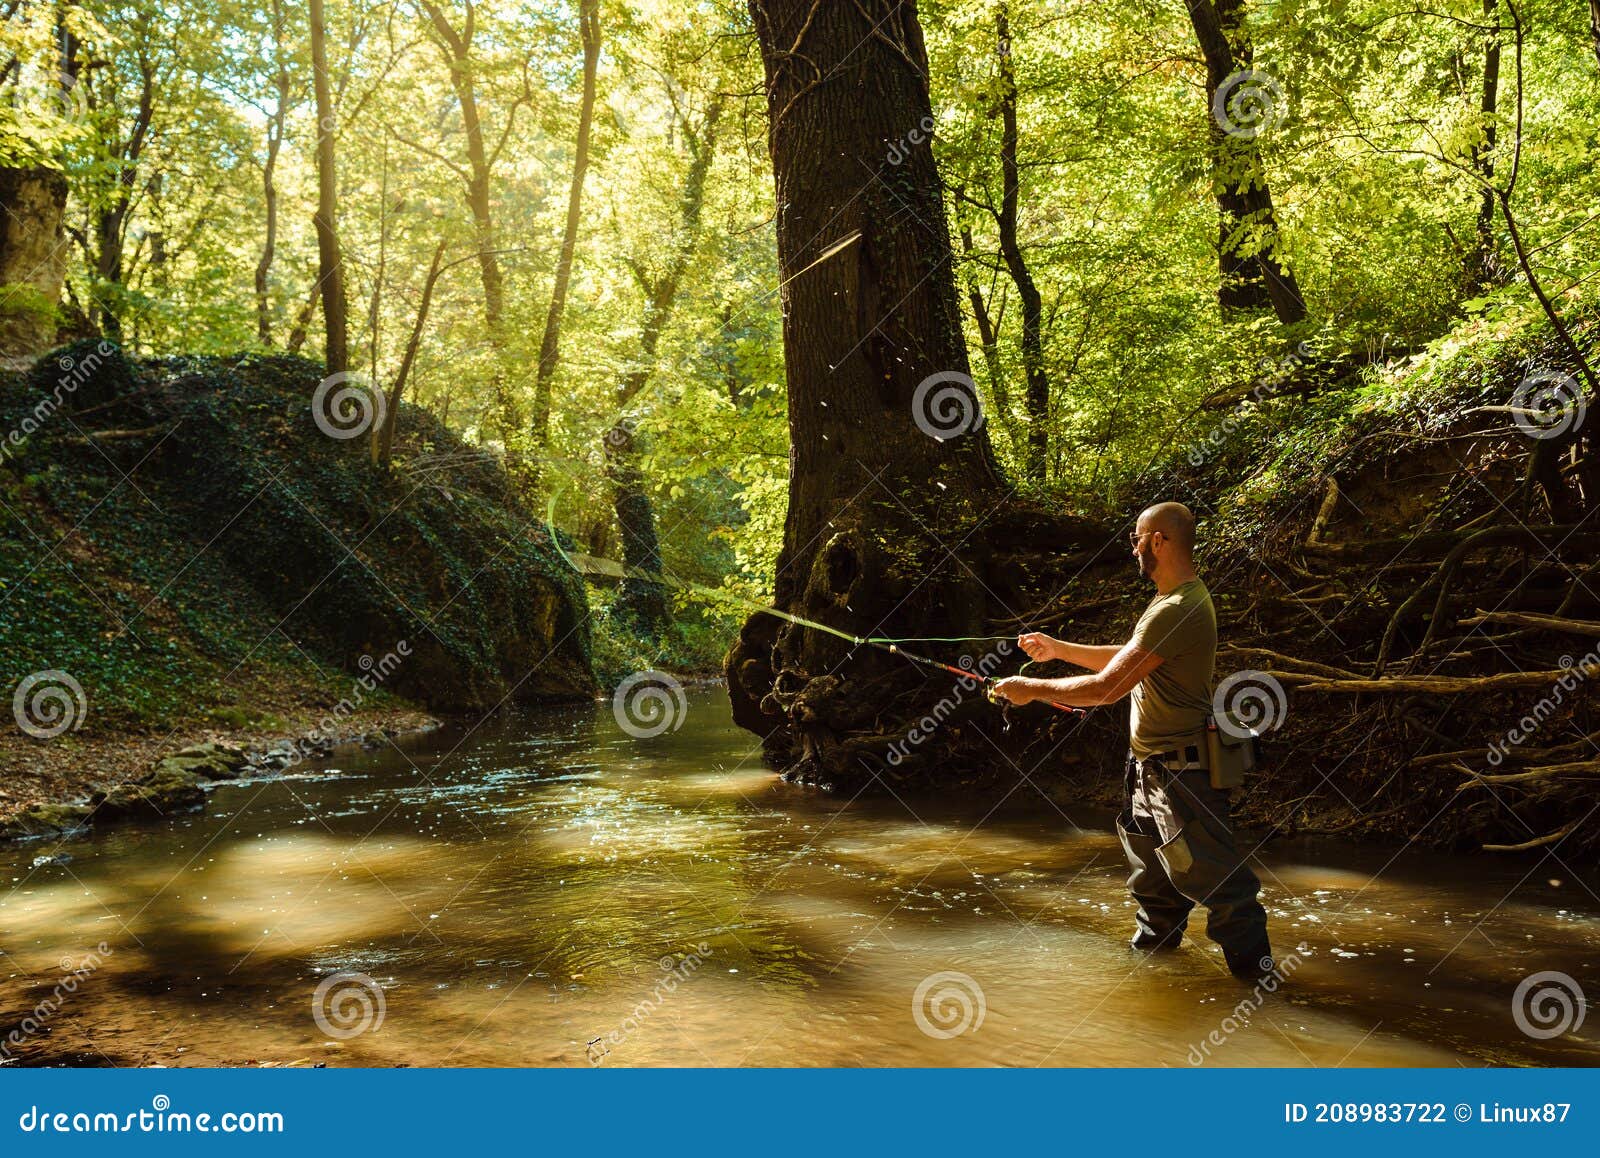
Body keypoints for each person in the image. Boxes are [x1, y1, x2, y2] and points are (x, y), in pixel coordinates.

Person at [991, 501, 1273, 980]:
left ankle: (1263, 990)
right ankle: (1148, 978)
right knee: (1156, 893)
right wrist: (1057, 650)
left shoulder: (1181, 606)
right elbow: (1126, 659)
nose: (1133, 547)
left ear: (1159, 541)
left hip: (1183, 777)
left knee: (1223, 888)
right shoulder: (1168, 601)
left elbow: (1107, 687)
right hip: (1151, 772)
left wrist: (1030, 691)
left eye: (1136, 539)